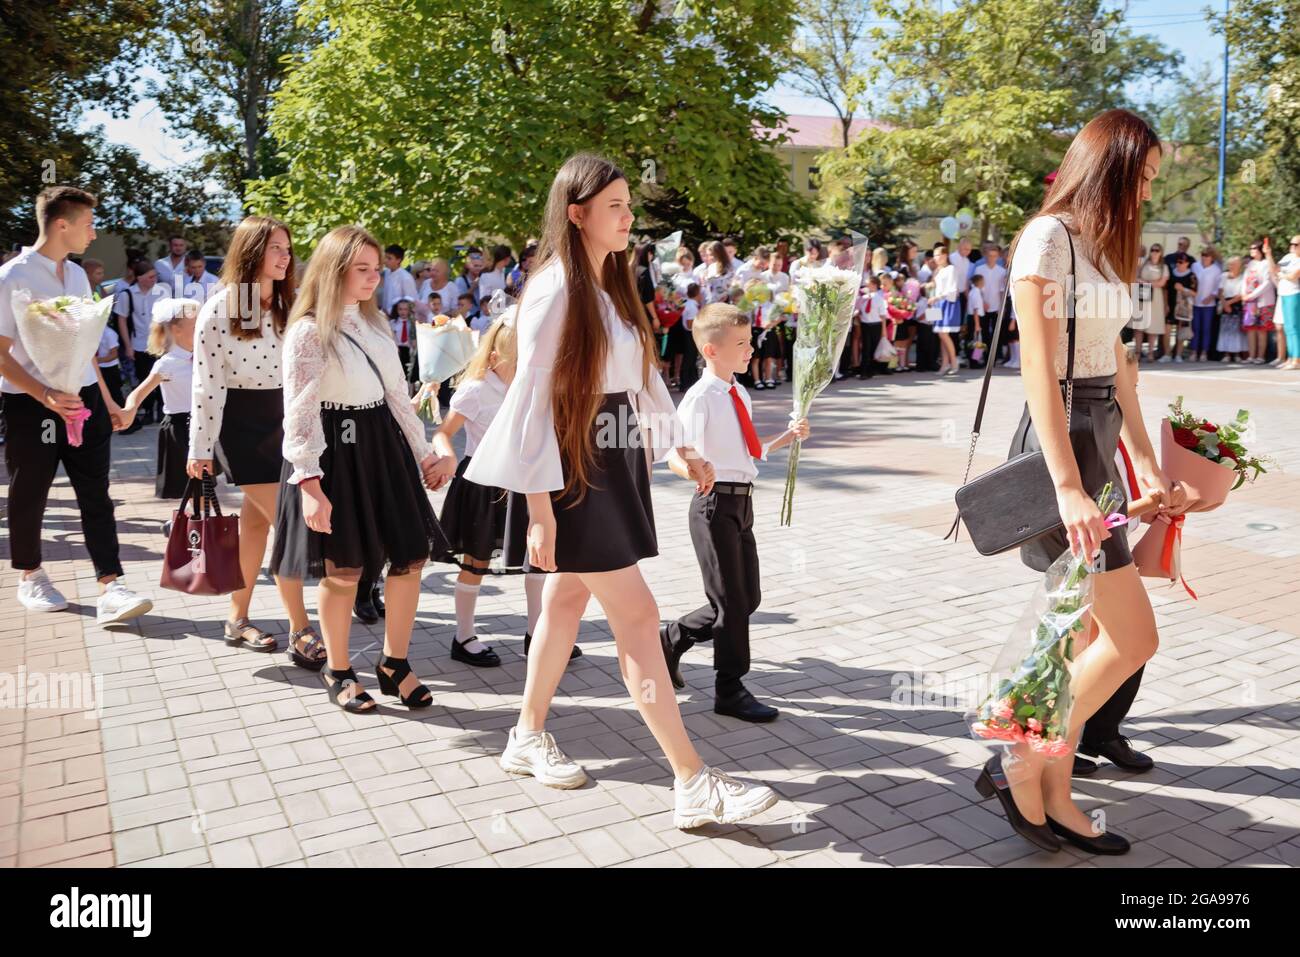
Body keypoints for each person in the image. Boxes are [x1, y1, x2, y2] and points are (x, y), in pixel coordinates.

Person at [463, 153, 778, 828]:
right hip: (575, 468)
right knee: (636, 618)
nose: (629, 215)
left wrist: (677, 444)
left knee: (565, 600)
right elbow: (530, 400)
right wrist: (541, 507)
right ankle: (692, 779)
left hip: (608, 457)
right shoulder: (554, 290)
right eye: (615, 205)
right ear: (576, 213)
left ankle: (525, 735)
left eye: (629, 204)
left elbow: (639, 382)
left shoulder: (607, 286)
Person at [981, 108, 1186, 856]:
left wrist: (1154, 468)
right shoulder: (1049, 239)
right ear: (1107, 167)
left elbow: (1120, 372)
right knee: (1132, 636)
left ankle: (1054, 788)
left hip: (1097, 440)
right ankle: (1019, 757)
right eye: (1141, 178)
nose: (1144, 196)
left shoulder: (1103, 246)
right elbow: (1039, 367)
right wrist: (1068, 484)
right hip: (1060, 444)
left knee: (1084, 632)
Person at [270, 225, 449, 712]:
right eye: (361, 270)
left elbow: (397, 398)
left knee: (411, 556)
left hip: (382, 446)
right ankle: (340, 668)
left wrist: (424, 452)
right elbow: (300, 411)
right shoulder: (307, 331)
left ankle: (395, 664)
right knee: (344, 568)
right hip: (335, 452)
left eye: (376, 269)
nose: (373, 278)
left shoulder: (375, 324)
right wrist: (308, 480)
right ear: (334, 271)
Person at [0, 185, 152, 622]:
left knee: (96, 493)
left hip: (83, 396)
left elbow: (84, 345)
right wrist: (45, 395)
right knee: (31, 491)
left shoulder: (79, 275)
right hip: (32, 402)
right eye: (88, 223)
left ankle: (111, 585)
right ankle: (31, 576)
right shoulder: (14, 276)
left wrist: (110, 401)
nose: (93, 231)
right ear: (61, 224)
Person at [660, 302, 810, 723]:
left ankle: (671, 637)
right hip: (713, 503)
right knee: (728, 605)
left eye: (749, 341)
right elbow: (675, 454)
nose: (750, 350)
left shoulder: (737, 390)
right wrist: (694, 469)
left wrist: (789, 436)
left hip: (742, 503)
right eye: (741, 344)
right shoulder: (700, 396)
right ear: (711, 350)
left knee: (746, 599)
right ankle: (730, 690)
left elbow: (750, 449)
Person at [188, 215, 326, 669]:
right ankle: (300, 628)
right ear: (251, 253)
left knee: (256, 526)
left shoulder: (289, 305)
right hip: (242, 426)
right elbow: (206, 386)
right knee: (290, 522)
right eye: (276, 249)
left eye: (289, 249)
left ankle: (237, 618)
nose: (287, 257)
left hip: (286, 420)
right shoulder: (223, 307)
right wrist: (199, 449)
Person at [427, 316, 580, 667]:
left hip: (527, 484)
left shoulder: (534, 386)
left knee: (537, 561)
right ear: (495, 357)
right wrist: (448, 458)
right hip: (482, 484)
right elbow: (442, 433)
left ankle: (536, 635)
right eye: (521, 356)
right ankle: (463, 636)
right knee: (475, 561)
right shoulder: (476, 388)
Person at [119, 297, 199, 498]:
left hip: (202, 425)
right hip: (180, 428)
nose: (202, 328)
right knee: (189, 487)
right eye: (195, 325)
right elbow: (139, 392)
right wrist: (129, 410)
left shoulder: (205, 356)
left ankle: (194, 523)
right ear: (176, 329)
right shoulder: (167, 365)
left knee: (204, 484)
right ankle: (189, 523)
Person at [114, 259, 167, 426]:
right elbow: (121, 320)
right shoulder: (127, 294)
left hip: (161, 343)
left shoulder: (161, 292)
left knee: (163, 377)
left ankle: (161, 410)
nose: (154, 280)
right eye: (150, 277)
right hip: (139, 344)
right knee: (144, 378)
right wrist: (128, 346)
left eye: (155, 276)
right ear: (139, 278)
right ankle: (149, 411)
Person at [1242, 240, 1276, 364]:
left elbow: (1267, 283)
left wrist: (1252, 295)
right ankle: (1251, 356)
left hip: (1263, 302)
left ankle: (1260, 356)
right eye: (1250, 248)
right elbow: (1244, 279)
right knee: (1251, 329)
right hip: (1250, 303)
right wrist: (1243, 294)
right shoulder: (1250, 264)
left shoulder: (1266, 263)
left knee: (1262, 329)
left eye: (1254, 248)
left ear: (1260, 250)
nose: (1252, 250)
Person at [929, 243, 961, 375]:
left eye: (938, 255)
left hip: (947, 302)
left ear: (945, 255)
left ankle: (954, 362)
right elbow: (934, 288)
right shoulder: (938, 270)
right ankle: (944, 364)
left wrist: (937, 297)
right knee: (941, 335)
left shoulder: (951, 269)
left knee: (944, 333)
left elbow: (952, 289)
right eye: (934, 255)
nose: (935, 258)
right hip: (937, 304)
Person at [1133, 244, 1168, 362]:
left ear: (1161, 252)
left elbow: (1162, 283)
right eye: (1152, 249)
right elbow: (1135, 277)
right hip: (1142, 294)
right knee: (1139, 326)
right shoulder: (1142, 263)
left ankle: (1150, 353)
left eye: (1157, 250)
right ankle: (1137, 352)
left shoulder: (1164, 267)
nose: (1154, 252)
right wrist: (1149, 282)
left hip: (1156, 298)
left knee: (1153, 326)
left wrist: (1147, 282)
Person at [1271, 234, 1300, 369]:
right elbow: (1275, 269)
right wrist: (1268, 254)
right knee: (1287, 327)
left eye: (1296, 245)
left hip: (1294, 294)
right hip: (1283, 294)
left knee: (1294, 328)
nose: (1292, 247)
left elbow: (1294, 276)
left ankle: (1297, 359)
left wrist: (1283, 275)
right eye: (1291, 244)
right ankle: (1290, 357)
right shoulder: (1288, 257)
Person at [1216, 255, 1248, 362]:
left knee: (1237, 331)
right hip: (1225, 302)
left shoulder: (1243, 277)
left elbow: (1241, 294)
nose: (1231, 266)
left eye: (1234, 264)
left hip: (1236, 304)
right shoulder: (1224, 276)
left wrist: (1228, 303)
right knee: (1225, 330)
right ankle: (1226, 354)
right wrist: (1225, 304)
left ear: (1239, 266)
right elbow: (1220, 291)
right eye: (1230, 264)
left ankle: (1237, 354)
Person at [380, 244, 417, 313]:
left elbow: (411, 301)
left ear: (398, 260)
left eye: (389, 258)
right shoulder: (387, 272)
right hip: (385, 315)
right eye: (385, 257)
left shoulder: (406, 278)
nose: (385, 261)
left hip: (398, 318)